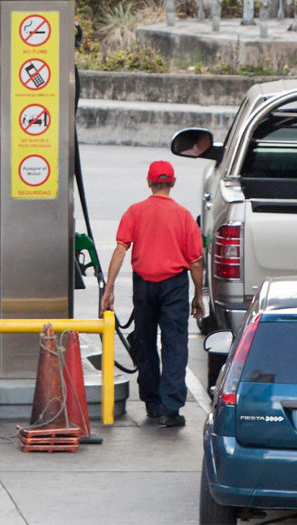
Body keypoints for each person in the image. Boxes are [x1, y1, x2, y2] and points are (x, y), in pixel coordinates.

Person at [99, 159, 204, 428]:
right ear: (173, 183)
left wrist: (109, 289)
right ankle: (171, 409)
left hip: (144, 285)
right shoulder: (184, 216)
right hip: (174, 285)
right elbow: (195, 261)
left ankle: (152, 403)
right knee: (174, 344)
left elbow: (121, 249)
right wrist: (198, 295)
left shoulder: (135, 211)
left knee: (145, 341)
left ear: (149, 182)